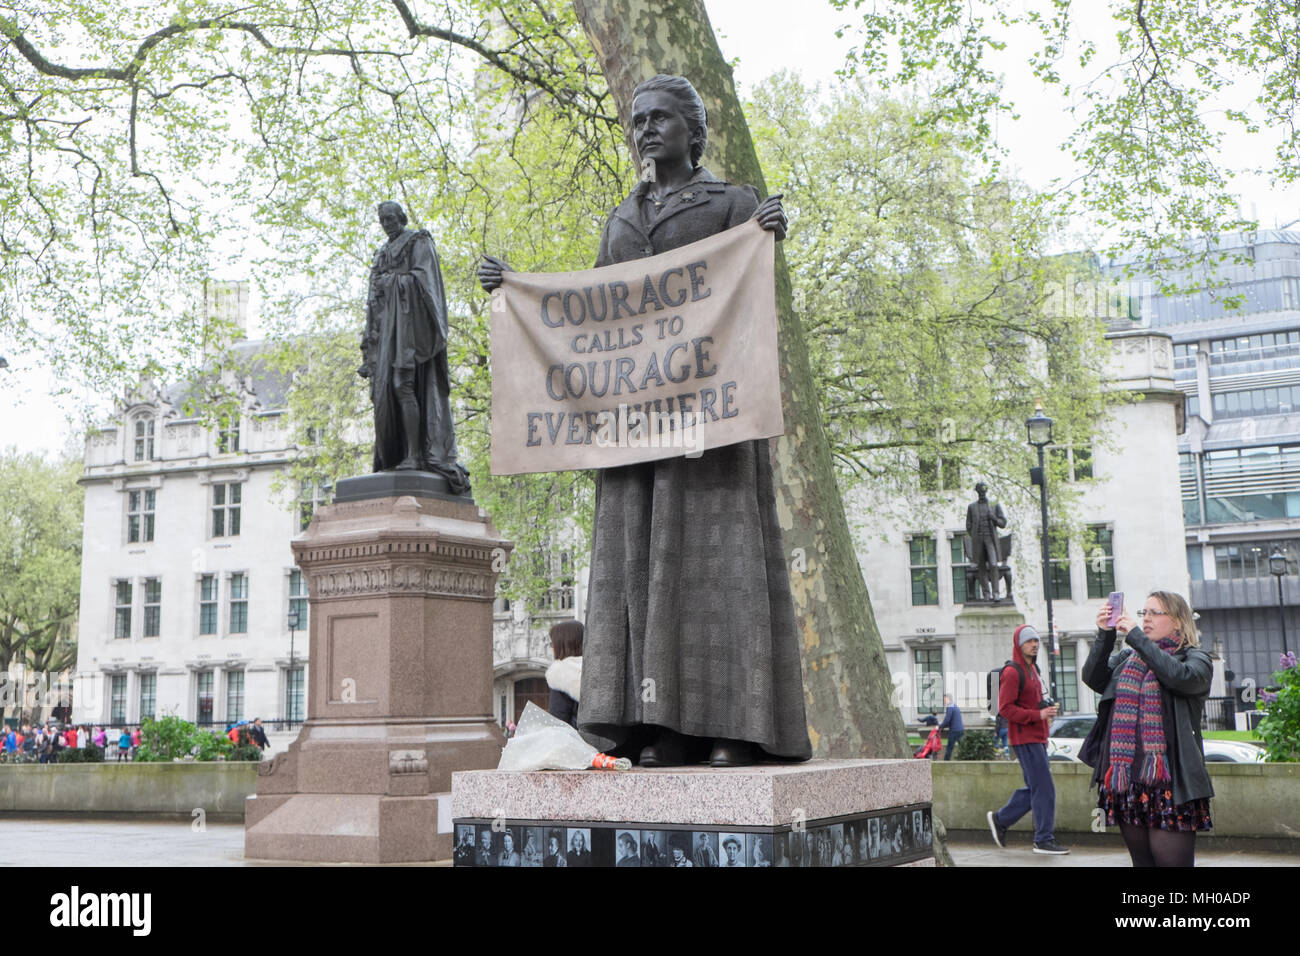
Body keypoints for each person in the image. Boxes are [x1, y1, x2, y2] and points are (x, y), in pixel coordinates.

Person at [479, 74, 808, 768]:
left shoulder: (733, 205)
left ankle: (734, 727)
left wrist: (767, 240)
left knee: (717, 575)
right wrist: (518, 293)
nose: (646, 130)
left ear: (695, 130)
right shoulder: (621, 219)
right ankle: (653, 722)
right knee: (639, 575)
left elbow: (751, 306)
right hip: (633, 434)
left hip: (710, 431)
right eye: (637, 121)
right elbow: (591, 312)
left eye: (661, 118)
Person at [1083, 591, 1213, 867]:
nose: (1147, 619)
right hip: (1128, 782)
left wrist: (1136, 638)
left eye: (1155, 613)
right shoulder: (1128, 659)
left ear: (1178, 621)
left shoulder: (1195, 660)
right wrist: (1104, 634)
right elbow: (1094, 677)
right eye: (1144, 613)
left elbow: (1177, 678)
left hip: (1171, 784)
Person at [359, 200, 469, 493]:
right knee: (386, 393)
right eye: (383, 220)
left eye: (392, 218)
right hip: (387, 337)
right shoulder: (381, 253)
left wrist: (393, 282)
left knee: (402, 386)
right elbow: (373, 303)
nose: (388, 223)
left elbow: (425, 282)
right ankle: (397, 454)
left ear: (402, 218)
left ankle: (415, 455)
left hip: (410, 332)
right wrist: (369, 343)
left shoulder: (418, 242)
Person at [986, 624, 1069, 855]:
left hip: (1038, 737)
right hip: (1025, 739)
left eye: (1036, 641)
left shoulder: (1034, 669)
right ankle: (1043, 839)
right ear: (1019, 644)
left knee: (1037, 787)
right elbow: (1005, 709)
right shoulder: (1013, 672)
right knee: (1045, 789)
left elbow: (1031, 701)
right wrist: (1038, 715)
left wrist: (1046, 709)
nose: (1034, 645)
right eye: (1029, 641)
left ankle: (1001, 820)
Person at [965, 482, 1008, 600]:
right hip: (978, 540)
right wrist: (974, 534)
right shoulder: (972, 507)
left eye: (984, 491)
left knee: (993, 564)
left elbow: (1003, 523)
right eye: (980, 491)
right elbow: (968, 524)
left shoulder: (994, 504)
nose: (982, 494)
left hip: (990, 539)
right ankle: (986, 593)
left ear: (986, 491)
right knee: (981, 567)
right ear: (977, 492)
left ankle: (996, 593)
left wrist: (993, 518)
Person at [545, 620, 583, 730]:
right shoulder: (598, 667)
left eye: (553, 644)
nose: (552, 648)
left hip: (579, 742)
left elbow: (558, 720)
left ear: (562, 645)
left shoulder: (560, 673)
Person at [939, 693, 965, 760]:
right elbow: (950, 720)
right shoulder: (954, 706)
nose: (944, 701)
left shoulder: (950, 707)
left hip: (954, 731)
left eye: (944, 699)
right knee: (963, 747)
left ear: (948, 699)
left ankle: (945, 763)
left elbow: (947, 720)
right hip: (960, 729)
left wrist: (940, 727)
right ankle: (966, 759)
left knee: (949, 748)